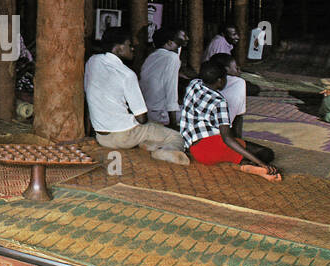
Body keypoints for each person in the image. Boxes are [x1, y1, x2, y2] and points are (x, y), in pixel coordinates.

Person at [84, 26, 190, 165]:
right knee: (176, 136)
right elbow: (141, 118)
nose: (133, 48)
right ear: (118, 48)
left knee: (150, 127)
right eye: (129, 45)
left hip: (102, 137)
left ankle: (149, 143)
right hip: (124, 137)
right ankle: (165, 151)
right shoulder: (127, 74)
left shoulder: (93, 62)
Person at [179, 59, 280, 180]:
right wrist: (260, 162)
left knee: (241, 146)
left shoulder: (194, 84)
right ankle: (247, 165)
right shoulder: (219, 102)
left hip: (194, 150)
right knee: (266, 153)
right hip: (212, 148)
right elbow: (227, 139)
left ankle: (242, 162)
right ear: (220, 81)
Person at [139, 25, 187, 127]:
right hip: (160, 114)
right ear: (169, 43)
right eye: (178, 42)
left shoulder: (151, 57)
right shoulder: (172, 58)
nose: (180, 46)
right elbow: (171, 90)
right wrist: (173, 123)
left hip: (147, 111)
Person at [212, 52, 247, 137]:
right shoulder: (239, 82)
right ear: (226, 70)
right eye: (235, 68)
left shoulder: (196, 82)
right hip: (216, 136)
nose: (238, 70)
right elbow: (239, 117)